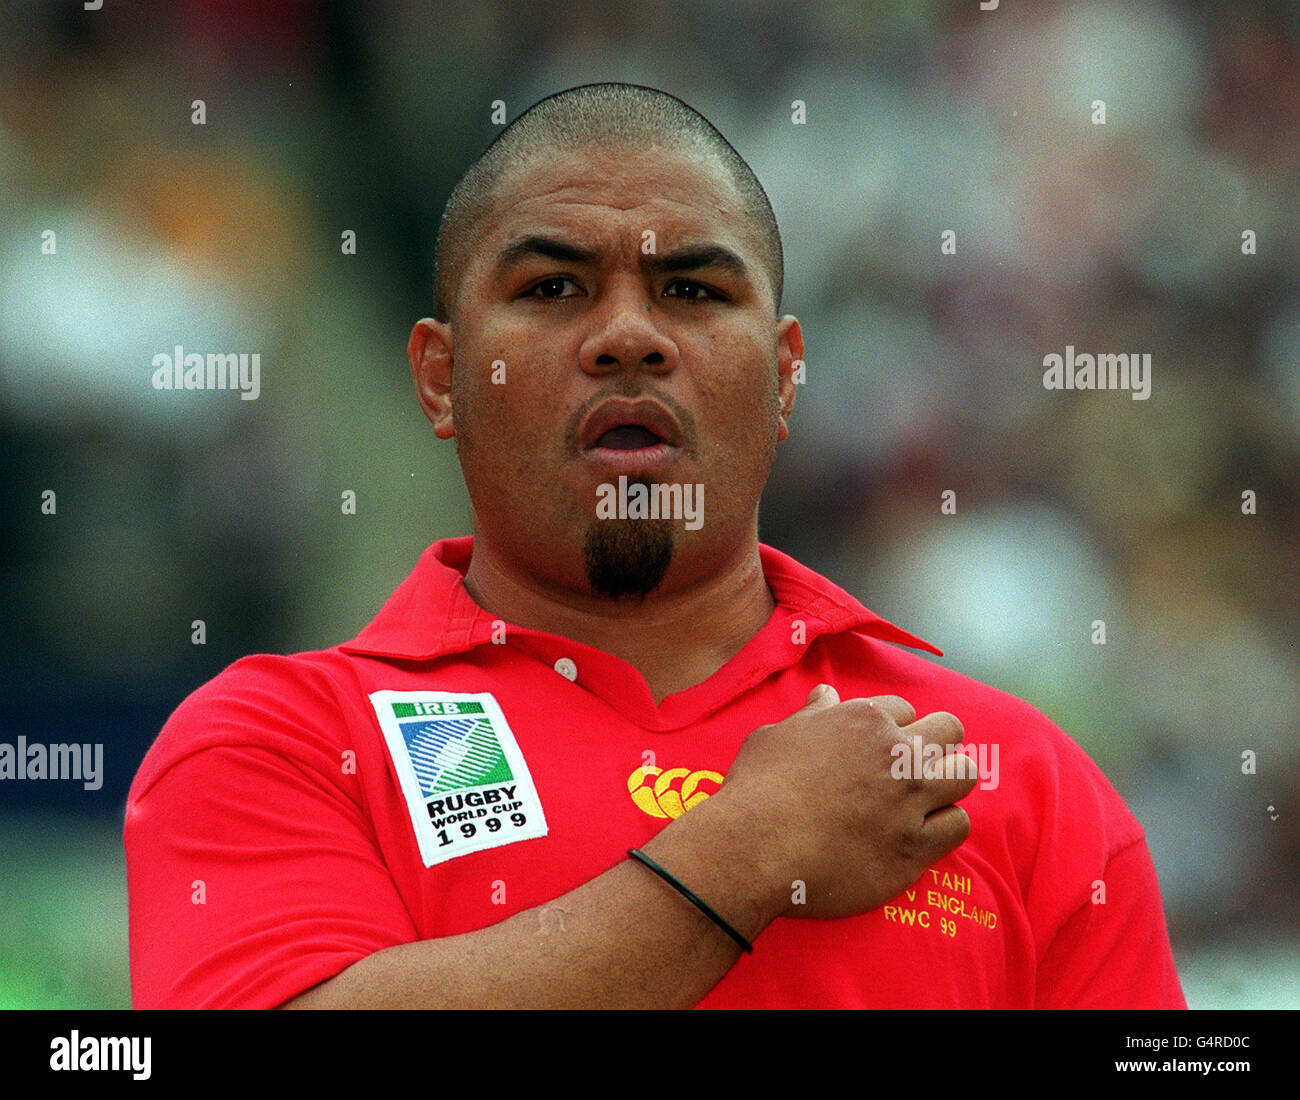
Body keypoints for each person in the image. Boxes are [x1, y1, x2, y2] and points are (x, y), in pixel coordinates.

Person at [124, 82, 1186, 1009]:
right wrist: (747, 851)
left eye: (692, 290)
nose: (627, 334)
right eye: (551, 288)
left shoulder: (1017, 781)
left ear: (784, 376)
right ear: (442, 378)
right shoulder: (273, 747)